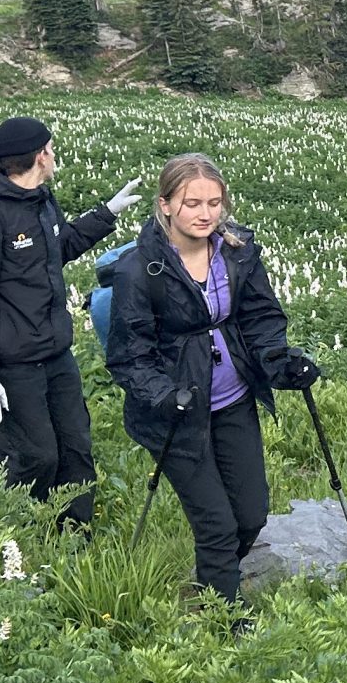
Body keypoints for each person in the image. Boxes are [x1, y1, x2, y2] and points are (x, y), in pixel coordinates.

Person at [103, 153, 318, 603]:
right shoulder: (140, 270)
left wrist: (283, 364)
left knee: (251, 514)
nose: (205, 214)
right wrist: (164, 396)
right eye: (192, 203)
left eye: (214, 202)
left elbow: (259, 319)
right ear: (165, 205)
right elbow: (130, 357)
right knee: (217, 526)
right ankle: (226, 618)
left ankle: (212, 582)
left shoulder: (237, 251)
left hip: (234, 399)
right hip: (178, 415)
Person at [0, 115, 144, 530]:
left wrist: (105, 214)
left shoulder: (41, 200)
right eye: (51, 149)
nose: (54, 156)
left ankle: (75, 538)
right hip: (14, 365)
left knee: (76, 449)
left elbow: (60, 247)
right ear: (40, 155)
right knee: (37, 456)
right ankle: (19, 537)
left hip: (56, 355)